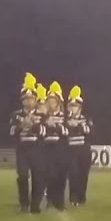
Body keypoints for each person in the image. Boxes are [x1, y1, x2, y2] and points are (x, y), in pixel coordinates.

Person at [10, 76, 42, 213]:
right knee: (22, 176)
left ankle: (35, 204)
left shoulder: (42, 114)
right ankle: (23, 203)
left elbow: (44, 131)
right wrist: (21, 125)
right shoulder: (16, 115)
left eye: (31, 99)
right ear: (22, 101)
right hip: (22, 149)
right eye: (26, 99)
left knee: (37, 177)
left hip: (37, 149)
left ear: (35, 100)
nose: (28, 102)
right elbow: (11, 131)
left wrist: (34, 126)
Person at [40, 82, 67, 211]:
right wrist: (45, 122)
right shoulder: (43, 116)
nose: (49, 103)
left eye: (52, 100)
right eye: (48, 100)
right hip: (46, 148)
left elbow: (67, 132)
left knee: (61, 175)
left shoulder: (65, 116)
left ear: (58, 102)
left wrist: (55, 126)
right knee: (50, 174)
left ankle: (60, 201)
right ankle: (50, 199)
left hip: (61, 148)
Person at [64, 86, 91, 206]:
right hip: (70, 150)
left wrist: (77, 126)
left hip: (83, 150)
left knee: (83, 174)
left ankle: (82, 197)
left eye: (74, 106)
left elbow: (90, 131)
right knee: (73, 173)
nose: (72, 108)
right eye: (70, 106)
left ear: (79, 108)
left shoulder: (86, 119)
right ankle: (73, 198)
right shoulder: (65, 120)